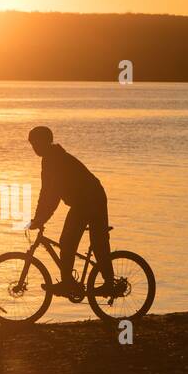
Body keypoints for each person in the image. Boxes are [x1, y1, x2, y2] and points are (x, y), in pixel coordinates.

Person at [25, 126, 117, 296]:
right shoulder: (48, 160)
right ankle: (70, 283)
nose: (34, 148)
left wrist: (41, 219)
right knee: (78, 242)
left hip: (91, 200)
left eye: (36, 143)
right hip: (82, 202)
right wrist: (38, 217)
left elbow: (53, 196)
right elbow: (45, 192)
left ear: (46, 142)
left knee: (83, 242)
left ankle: (99, 283)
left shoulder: (57, 160)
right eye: (32, 145)